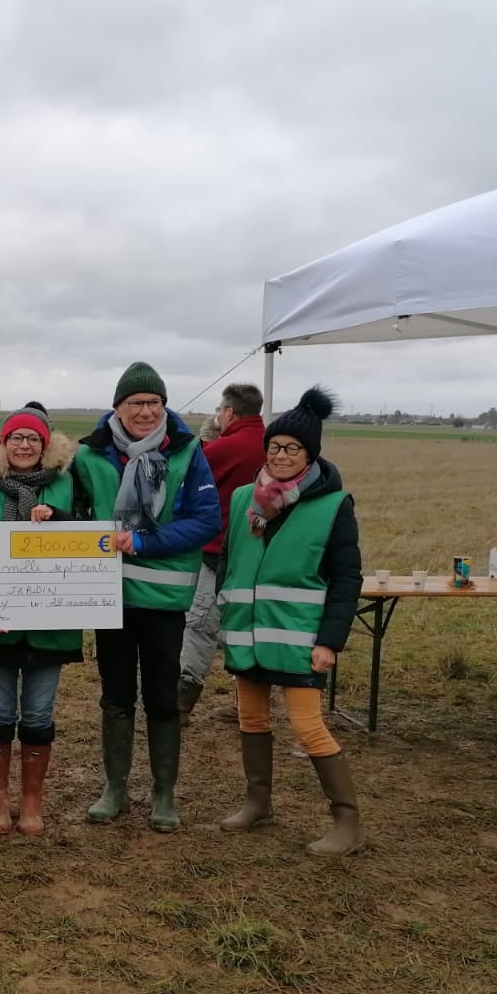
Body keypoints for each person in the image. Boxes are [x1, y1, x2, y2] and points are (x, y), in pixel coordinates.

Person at [72, 362, 220, 831]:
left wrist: (143, 542)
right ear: (117, 407)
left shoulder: (187, 452)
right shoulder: (89, 456)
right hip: (109, 598)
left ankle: (163, 794)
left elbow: (205, 521)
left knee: (161, 695)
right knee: (115, 695)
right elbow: (75, 518)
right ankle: (114, 789)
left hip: (163, 601)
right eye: (136, 403)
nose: (146, 411)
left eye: (155, 402)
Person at [217, 388, 364, 855]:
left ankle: (347, 823)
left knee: (307, 727)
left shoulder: (333, 506)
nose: (281, 456)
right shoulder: (245, 499)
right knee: (251, 717)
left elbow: (347, 579)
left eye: (292, 449)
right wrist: (226, 606)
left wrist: (330, 642)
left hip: (299, 640)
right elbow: (228, 559)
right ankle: (258, 803)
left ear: (310, 454)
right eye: (275, 446)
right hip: (246, 633)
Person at [0, 403, 80, 835]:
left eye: (32, 439)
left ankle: (32, 801)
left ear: (45, 446)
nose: (24, 445)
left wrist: (60, 521)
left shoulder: (68, 485)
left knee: (39, 714)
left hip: (51, 623)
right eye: (16, 438)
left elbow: (91, 533)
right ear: (3, 443)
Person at [179, 383, 267, 715]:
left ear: (229, 412)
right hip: (261, 553)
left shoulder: (225, 447)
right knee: (248, 625)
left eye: (220, 410)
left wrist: (205, 443)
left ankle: (182, 698)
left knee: (200, 622)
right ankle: (251, 702)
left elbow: (191, 480)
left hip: (219, 553)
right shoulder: (270, 445)